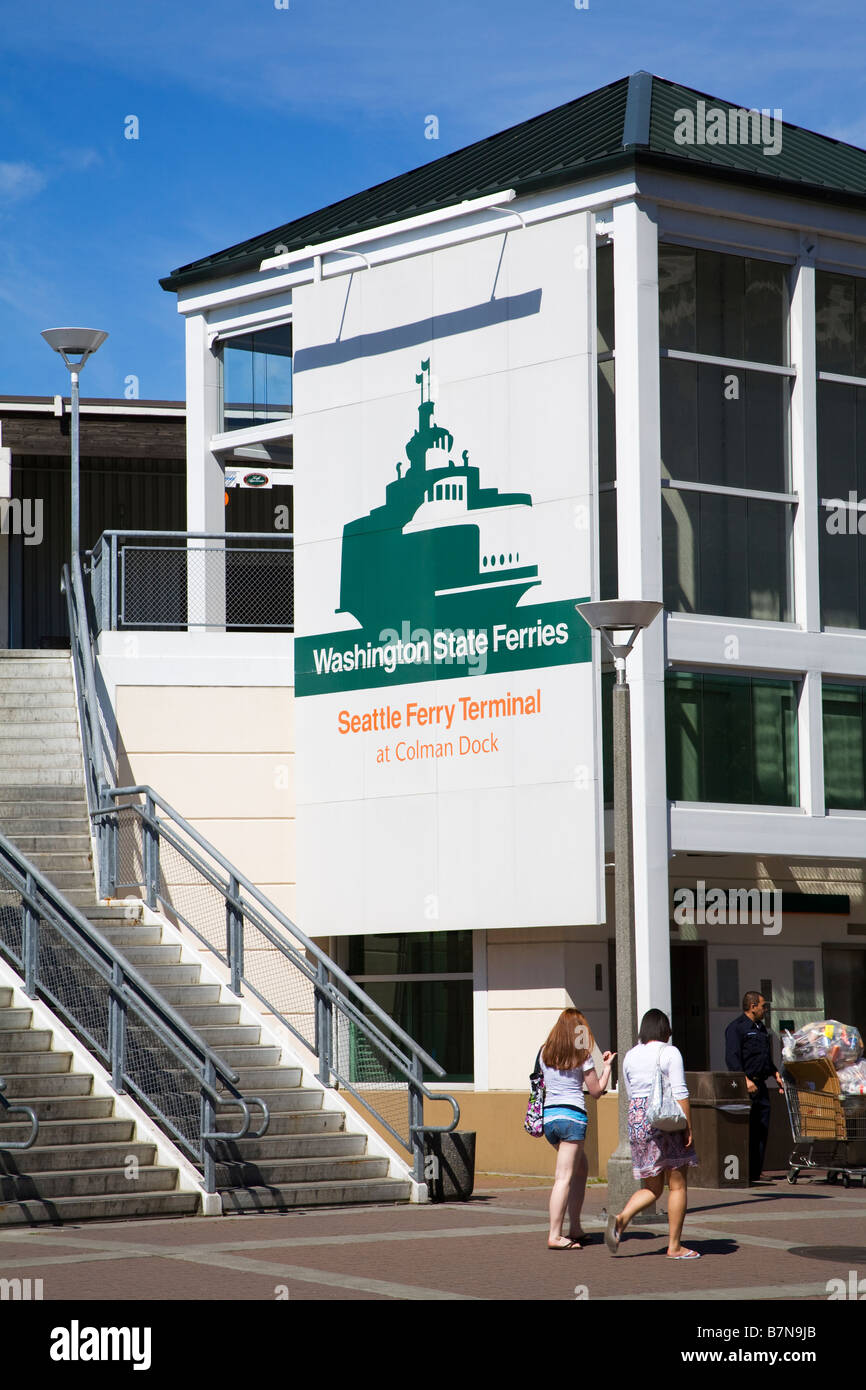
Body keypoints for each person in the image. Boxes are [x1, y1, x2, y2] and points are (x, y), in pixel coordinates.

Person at [605, 1008, 700, 1259]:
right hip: (665, 1120)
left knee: (652, 1187)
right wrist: (688, 1126)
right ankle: (675, 1246)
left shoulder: (630, 1056)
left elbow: (629, 1090)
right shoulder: (670, 1052)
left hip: (637, 1120)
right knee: (677, 1185)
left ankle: (622, 1217)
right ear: (665, 1029)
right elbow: (680, 1092)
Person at [539, 1008, 615, 1250]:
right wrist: (608, 1068)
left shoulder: (544, 1052)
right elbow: (595, 1091)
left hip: (549, 1119)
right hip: (572, 1118)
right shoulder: (582, 1054)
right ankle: (555, 1234)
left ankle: (575, 1228)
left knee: (580, 1168)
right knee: (564, 1176)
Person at [725, 991, 784, 1184]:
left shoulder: (760, 1028)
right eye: (762, 1006)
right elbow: (732, 1058)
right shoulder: (737, 1028)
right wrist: (744, 1080)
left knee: (762, 1129)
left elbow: (764, 1057)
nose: (765, 1009)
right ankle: (745, 1172)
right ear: (752, 1006)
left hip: (761, 1085)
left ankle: (756, 1171)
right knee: (747, 1130)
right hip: (745, 1086)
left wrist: (775, 1073)